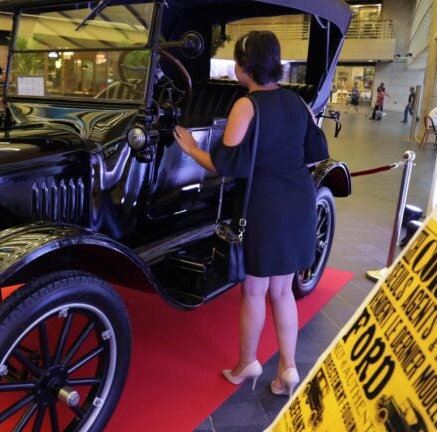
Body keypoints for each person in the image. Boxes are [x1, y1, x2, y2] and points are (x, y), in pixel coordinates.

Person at [173, 31, 328, 397]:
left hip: (266, 205)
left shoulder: (246, 105)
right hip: (299, 201)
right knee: (282, 291)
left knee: (256, 291)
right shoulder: (298, 102)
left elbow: (227, 165)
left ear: (245, 68)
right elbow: (315, 152)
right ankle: (287, 369)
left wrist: (193, 148)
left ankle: (247, 363)